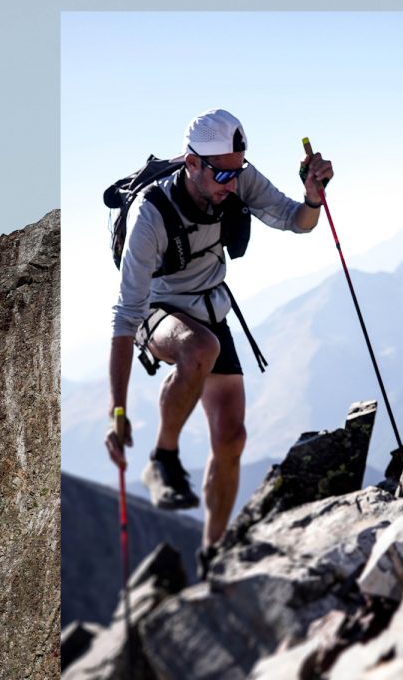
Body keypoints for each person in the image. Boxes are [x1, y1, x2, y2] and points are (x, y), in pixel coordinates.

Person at [104, 108, 333, 558]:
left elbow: (297, 222)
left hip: (210, 306)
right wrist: (117, 411)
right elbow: (124, 317)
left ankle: (212, 552)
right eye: (222, 172)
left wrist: (312, 198)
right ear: (192, 164)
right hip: (157, 311)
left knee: (232, 440)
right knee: (200, 346)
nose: (232, 182)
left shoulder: (236, 174)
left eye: (237, 170)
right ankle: (163, 459)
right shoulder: (150, 218)